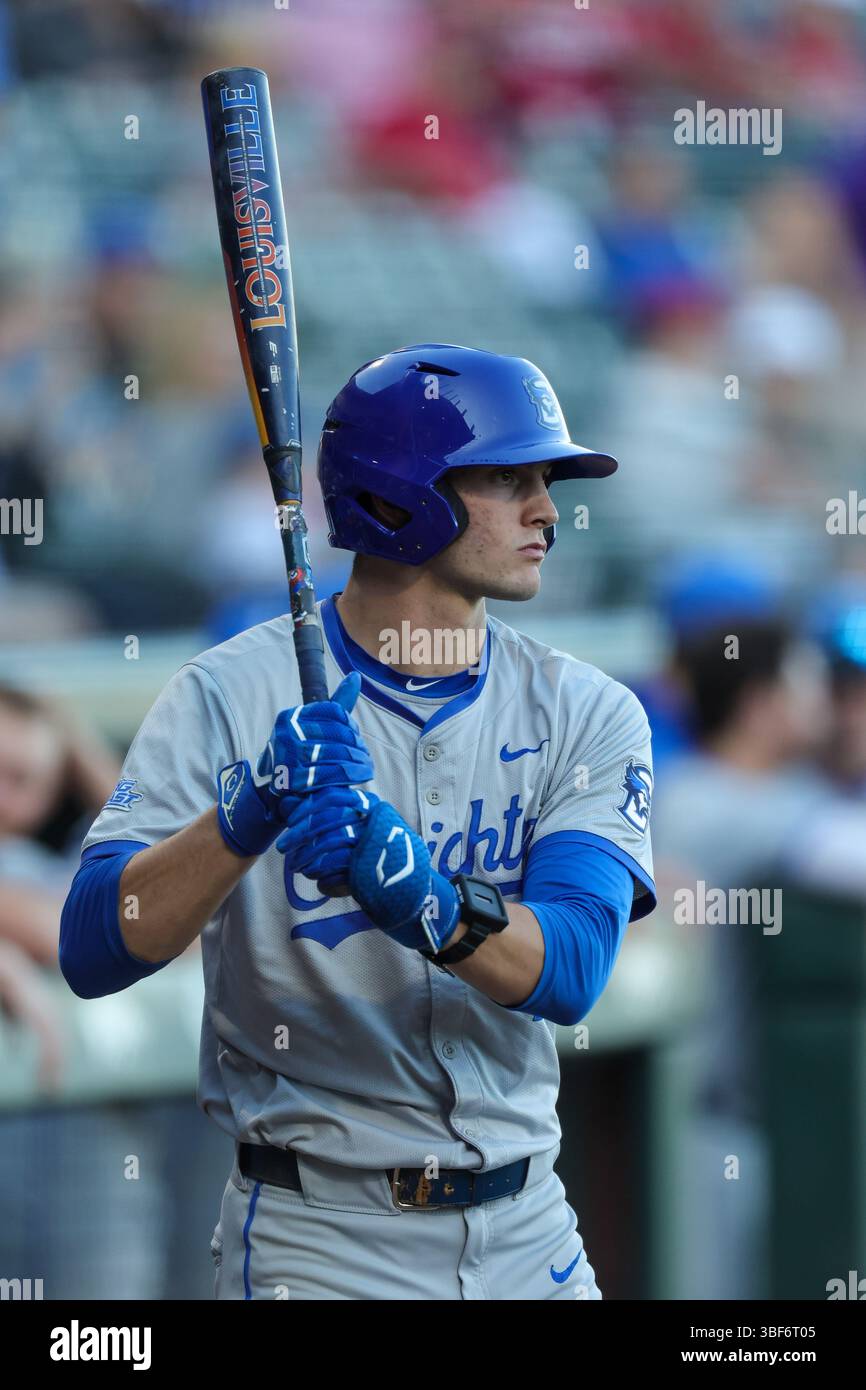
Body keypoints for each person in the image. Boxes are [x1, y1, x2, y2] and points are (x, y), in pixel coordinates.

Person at [60, 344, 656, 1302]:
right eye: (510, 479)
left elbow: (574, 967)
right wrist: (247, 813)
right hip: (320, 1239)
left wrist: (418, 893)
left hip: (529, 1229)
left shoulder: (586, 711)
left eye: (546, 480)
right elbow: (96, 946)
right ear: (402, 494)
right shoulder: (229, 695)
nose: (548, 511)